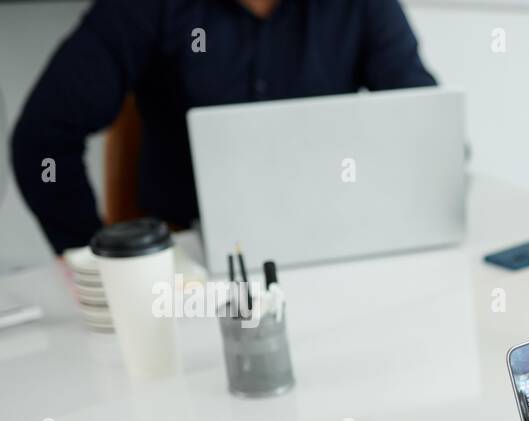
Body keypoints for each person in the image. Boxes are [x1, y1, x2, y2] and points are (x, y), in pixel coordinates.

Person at [10, 0, 436, 255]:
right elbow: (42, 140)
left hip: (332, 246)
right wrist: (96, 263)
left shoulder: (361, 7)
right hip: (191, 269)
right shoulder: (144, 8)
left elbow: (427, 128)